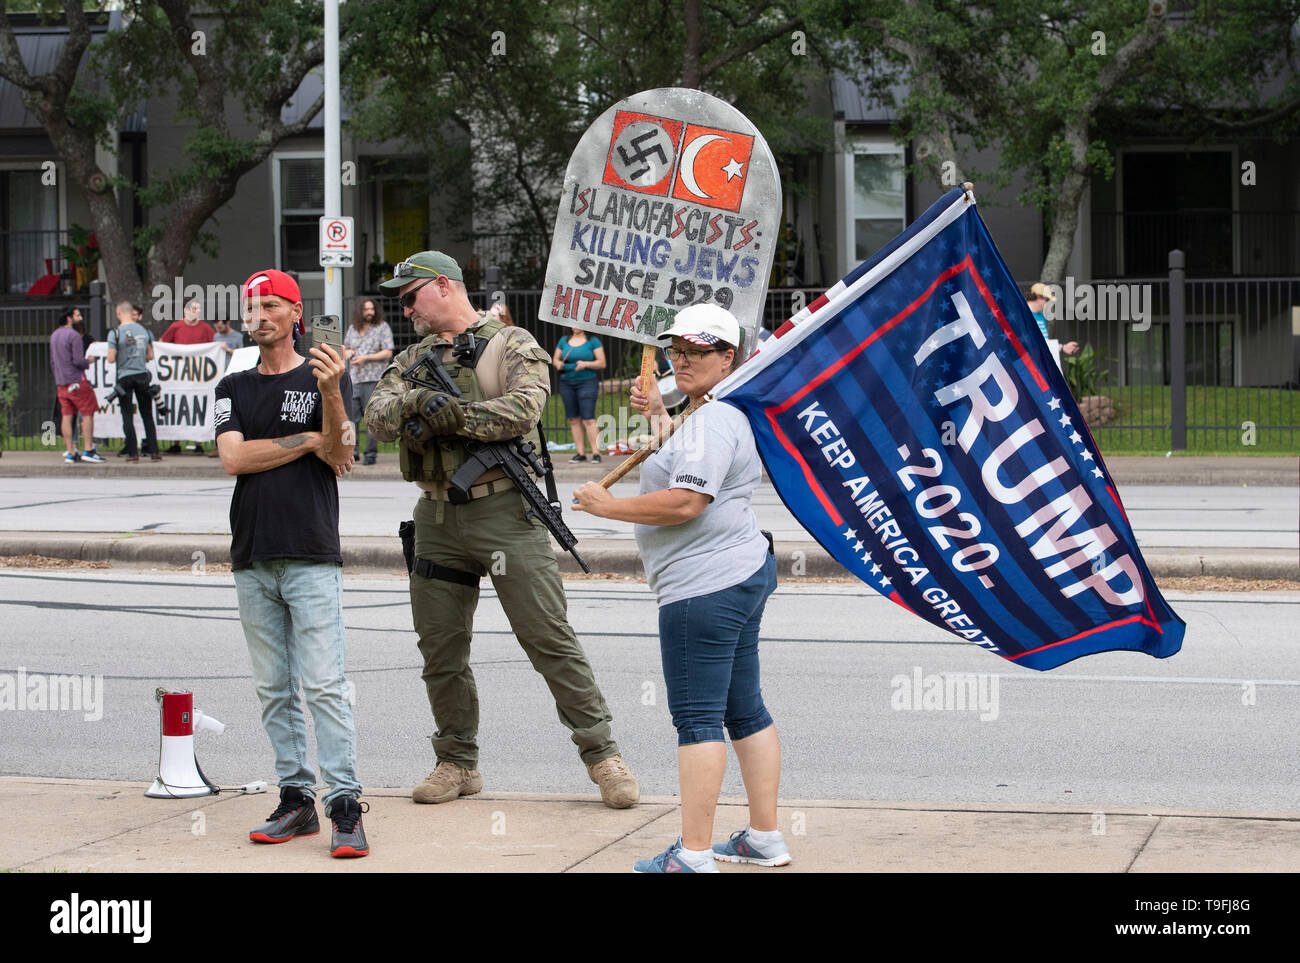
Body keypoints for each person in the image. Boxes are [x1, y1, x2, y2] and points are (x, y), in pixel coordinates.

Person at [364, 250, 638, 810]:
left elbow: (524, 410)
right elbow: (378, 417)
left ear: (444, 286)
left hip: (505, 515)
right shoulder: (412, 358)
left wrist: (454, 416)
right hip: (436, 517)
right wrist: (418, 400)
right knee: (440, 649)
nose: (404, 308)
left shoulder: (511, 344)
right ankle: (456, 761)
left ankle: (602, 755)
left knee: (548, 638)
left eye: (410, 296)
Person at [572, 304, 786, 873]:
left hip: (704, 587)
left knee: (698, 721)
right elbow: (688, 456)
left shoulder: (713, 420)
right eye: (677, 350)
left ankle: (692, 854)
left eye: (697, 351)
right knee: (745, 711)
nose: (682, 360)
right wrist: (661, 413)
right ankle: (765, 838)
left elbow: (688, 501)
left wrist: (608, 507)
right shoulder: (711, 411)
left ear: (728, 357)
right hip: (736, 573)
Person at [214, 268, 369, 859]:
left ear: (296, 313)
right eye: (252, 306)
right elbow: (234, 458)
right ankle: (296, 800)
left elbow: (343, 454)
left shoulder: (325, 374)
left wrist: (330, 394)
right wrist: (305, 441)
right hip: (252, 554)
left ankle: (345, 806)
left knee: (325, 685)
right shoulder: (233, 386)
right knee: (274, 690)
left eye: (271, 305)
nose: (260, 315)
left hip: (310, 551)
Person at [106, 299, 161, 462]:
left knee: (127, 415)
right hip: (142, 375)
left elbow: (111, 358)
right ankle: (154, 451)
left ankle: (132, 453)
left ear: (118, 313)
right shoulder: (144, 331)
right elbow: (150, 355)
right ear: (132, 313)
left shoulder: (115, 333)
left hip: (124, 377)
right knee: (147, 414)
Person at [342, 297, 394, 466]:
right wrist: (348, 353)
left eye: (372, 309)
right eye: (366, 309)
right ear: (360, 311)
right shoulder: (353, 328)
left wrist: (366, 358)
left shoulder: (382, 327)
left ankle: (370, 454)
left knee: (371, 418)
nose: (370, 312)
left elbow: (388, 352)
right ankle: (352, 452)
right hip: (354, 379)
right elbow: (346, 348)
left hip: (373, 379)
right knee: (350, 418)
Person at [49, 306, 104, 464]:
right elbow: (78, 360)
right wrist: (89, 361)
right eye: (76, 315)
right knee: (88, 413)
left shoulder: (54, 335)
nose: (79, 318)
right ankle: (88, 449)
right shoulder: (73, 335)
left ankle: (71, 451)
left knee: (67, 416)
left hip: (61, 382)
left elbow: (53, 361)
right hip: (77, 380)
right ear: (69, 318)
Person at [163, 300, 216, 453]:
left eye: (198, 309)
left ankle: (198, 444)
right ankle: (176, 443)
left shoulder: (205, 328)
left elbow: (214, 346)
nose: (196, 312)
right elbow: (164, 343)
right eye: (193, 309)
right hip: (179, 375)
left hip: (199, 376)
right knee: (178, 406)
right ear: (185, 310)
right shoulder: (176, 326)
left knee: (197, 406)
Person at [552, 326, 605, 463]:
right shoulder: (564, 340)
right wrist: (558, 364)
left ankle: (596, 453)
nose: (574, 326)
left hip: (587, 382)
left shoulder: (593, 341)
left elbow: (602, 363)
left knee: (588, 419)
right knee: (573, 419)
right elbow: (555, 359)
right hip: (566, 383)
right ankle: (580, 453)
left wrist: (586, 364)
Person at [1027, 282, 1078, 357]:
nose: (1048, 304)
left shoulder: (1041, 316)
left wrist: (1063, 347)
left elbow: (1044, 343)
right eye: (1047, 300)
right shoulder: (1023, 315)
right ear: (1038, 297)